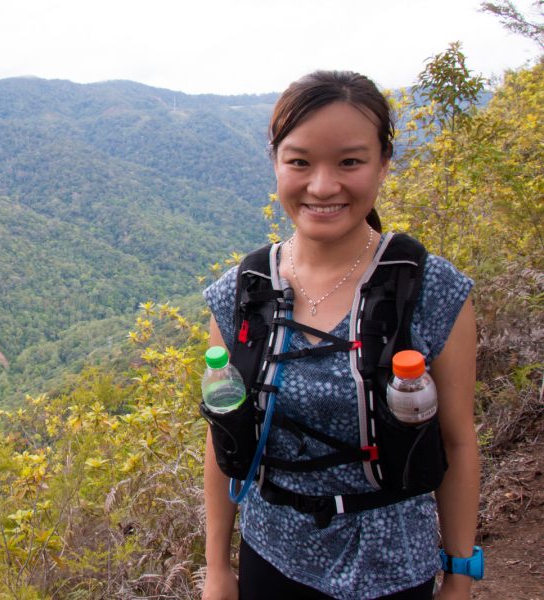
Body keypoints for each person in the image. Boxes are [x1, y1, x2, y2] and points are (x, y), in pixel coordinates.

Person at [201, 71, 479, 600]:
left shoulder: (430, 288)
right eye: (300, 161)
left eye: (349, 162)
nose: (323, 186)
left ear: (383, 164)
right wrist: (217, 567)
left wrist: (460, 576)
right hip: (271, 556)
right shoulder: (244, 291)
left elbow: (457, 440)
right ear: (276, 164)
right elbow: (223, 435)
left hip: (395, 566)